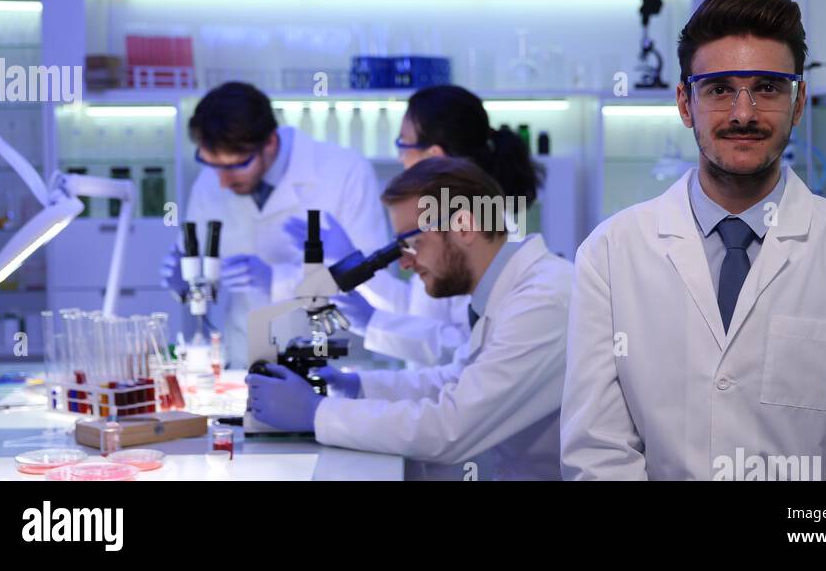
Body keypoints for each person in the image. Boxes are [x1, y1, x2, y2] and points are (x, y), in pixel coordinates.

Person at [561, 0, 826, 480]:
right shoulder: (609, 253)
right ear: (686, 103)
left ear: (797, 104)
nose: (744, 114)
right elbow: (597, 455)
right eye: (719, 89)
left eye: (768, 88)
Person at [247, 158, 572, 480]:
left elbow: (451, 428)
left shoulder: (542, 301)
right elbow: (454, 381)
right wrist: (355, 386)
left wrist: (315, 413)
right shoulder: (505, 294)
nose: (404, 262)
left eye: (413, 243)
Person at [283, 85, 545, 370]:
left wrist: (373, 322)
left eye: (402, 144)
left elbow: (468, 350)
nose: (400, 158)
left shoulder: (481, 231)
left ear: (434, 156)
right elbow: (422, 311)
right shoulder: (449, 225)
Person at [160, 81, 389, 368]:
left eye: (235, 166)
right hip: (245, 357)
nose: (222, 181)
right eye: (212, 165)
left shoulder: (345, 171)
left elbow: (372, 279)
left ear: (269, 142)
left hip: (331, 361)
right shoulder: (210, 181)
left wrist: (278, 280)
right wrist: (188, 280)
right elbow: (198, 259)